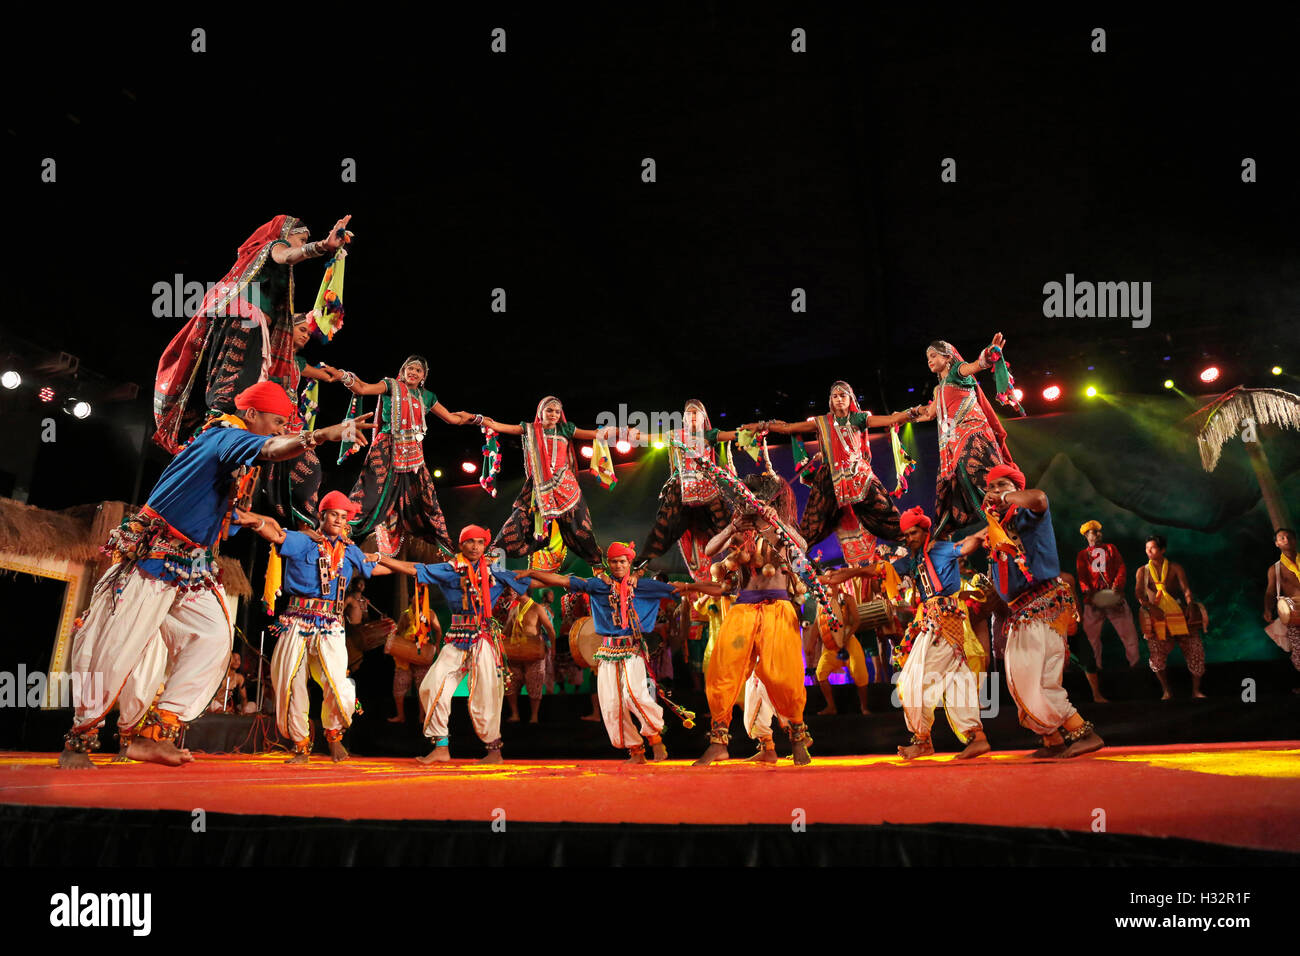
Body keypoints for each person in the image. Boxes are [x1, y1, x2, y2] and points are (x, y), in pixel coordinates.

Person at [58, 383, 374, 768]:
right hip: (153, 562)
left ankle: (156, 733)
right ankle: (78, 742)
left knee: (213, 637)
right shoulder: (225, 437)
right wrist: (324, 433)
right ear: (252, 414)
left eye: (285, 424)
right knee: (116, 647)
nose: (280, 429)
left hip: (191, 567)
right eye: (277, 421)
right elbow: (273, 450)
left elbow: (225, 513)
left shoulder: (228, 457)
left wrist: (243, 516)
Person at [154, 214, 352, 454]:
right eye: (300, 239)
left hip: (250, 325)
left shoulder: (273, 269)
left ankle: (219, 433)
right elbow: (286, 254)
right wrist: (323, 246)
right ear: (284, 234)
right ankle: (216, 433)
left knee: (243, 390)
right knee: (237, 390)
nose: (300, 245)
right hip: (245, 321)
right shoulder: (274, 247)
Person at [680, 474, 815, 766]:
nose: (750, 506)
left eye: (756, 500)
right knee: (723, 670)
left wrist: (772, 524)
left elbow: (801, 547)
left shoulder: (779, 528)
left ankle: (796, 738)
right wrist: (732, 527)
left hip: (777, 607)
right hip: (743, 607)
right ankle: (718, 742)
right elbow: (709, 550)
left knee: (783, 675)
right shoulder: (739, 530)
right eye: (746, 500)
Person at [249, 491, 389, 763]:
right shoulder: (305, 541)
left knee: (335, 682)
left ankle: (334, 736)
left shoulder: (350, 550)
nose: (338, 520)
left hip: (331, 625)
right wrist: (251, 521)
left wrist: (413, 569)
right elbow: (277, 536)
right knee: (291, 681)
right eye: (334, 514)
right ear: (322, 516)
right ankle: (300, 745)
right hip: (297, 620)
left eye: (343, 516)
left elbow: (375, 567)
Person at [520, 543, 691, 762]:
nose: (618, 565)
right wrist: (532, 572)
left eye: (623, 561)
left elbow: (679, 588)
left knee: (634, 694)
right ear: (608, 564)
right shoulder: (597, 585)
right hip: (607, 651)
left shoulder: (641, 586)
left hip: (632, 649)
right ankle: (636, 751)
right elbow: (562, 580)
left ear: (629, 563)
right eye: (614, 561)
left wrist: (716, 588)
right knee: (611, 703)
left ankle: (656, 739)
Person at [981, 463, 1103, 757]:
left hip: (1041, 603)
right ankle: (1052, 740)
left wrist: (1008, 498)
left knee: (1030, 676)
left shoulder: (1027, 511)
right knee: (1023, 677)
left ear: (1016, 488)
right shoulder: (998, 527)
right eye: (991, 487)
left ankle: (1082, 732)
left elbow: (1040, 498)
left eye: (1002, 485)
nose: (995, 492)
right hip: (1023, 610)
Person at [379, 526, 530, 763]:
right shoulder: (450, 570)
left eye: (480, 542)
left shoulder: (495, 572)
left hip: (484, 639)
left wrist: (570, 583)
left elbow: (529, 581)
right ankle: (441, 747)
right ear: (461, 545)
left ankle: (494, 751)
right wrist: (381, 559)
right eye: (470, 542)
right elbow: (415, 569)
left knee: (487, 694)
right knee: (432, 685)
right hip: (458, 637)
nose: (475, 547)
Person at [339, 356, 479, 555]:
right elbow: (362, 389)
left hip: (414, 454)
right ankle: (341, 529)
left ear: (423, 376)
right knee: (369, 492)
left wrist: (477, 419)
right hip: (387, 446)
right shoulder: (390, 385)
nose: (413, 372)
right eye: (410, 368)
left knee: (426, 498)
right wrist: (343, 376)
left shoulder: (428, 396)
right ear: (403, 371)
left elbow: (451, 418)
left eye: (418, 370)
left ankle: (443, 548)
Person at [748, 381, 903, 561]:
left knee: (887, 512)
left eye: (843, 396)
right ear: (830, 400)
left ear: (850, 398)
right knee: (811, 528)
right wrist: (762, 426)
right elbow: (788, 428)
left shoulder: (859, 418)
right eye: (835, 396)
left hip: (859, 476)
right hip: (829, 479)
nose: (839, 400)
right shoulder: (822, 422)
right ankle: (793, 561)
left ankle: (914, 541)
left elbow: (890, 420)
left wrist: (913, 414)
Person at [894, 334, 1021, 538]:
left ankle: (1012, 515)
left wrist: (988, 356)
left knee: (979, 475)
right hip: (953, 445)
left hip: (972, 434)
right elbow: (929, 413)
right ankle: (948, 537)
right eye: (928, 358)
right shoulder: (939, 388)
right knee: (949, 489)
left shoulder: (957, 371)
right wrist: (900, 417)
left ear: (948, 357)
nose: (930, 361)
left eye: (934, 355)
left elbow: (974, 366)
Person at [483, 397, 611, 565]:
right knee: (519, 519)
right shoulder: (528, 429)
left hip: (565, 486)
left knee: (579, 528)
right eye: (549, 410)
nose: (553, 414)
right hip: (538, 485)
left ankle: (597, 565)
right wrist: (481, 420)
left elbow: (595, 434)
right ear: (540, 412)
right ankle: (493, 556)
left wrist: (622, 432)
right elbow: (501, 427)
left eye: (557, 411)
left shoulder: (565, 429)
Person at [631, 400, 738, 576]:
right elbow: (650, 438)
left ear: (704, 418)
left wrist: (752, 431)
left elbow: (733, 435)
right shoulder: (676, 435)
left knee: (724, 522)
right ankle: (643, 561)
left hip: (706, 485)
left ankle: (740, 551)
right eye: (689, 413)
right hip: (682, 488)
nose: (693, 416)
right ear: (684, 419)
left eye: (696, 413)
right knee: (666, 524)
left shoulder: (709, 435)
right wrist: (633, 435)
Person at [1135, 535, 1207, 700]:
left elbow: (1186, 589)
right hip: (1157, 616)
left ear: (1163, 550)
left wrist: (1190, 604)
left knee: (1195, 651)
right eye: (1147, 548)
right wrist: (1150, 607)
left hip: (1178, 613)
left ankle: (1196, 691)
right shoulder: (1143, 571)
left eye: (1152, 548)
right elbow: (1138, 592)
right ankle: (1166, 690)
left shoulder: (1175, 568)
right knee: (1156, 656)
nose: (1149, 551)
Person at [1075, 520, 1141, 668]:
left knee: (1129, 634)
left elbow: (1121, 568)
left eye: (1099, 531)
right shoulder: (1082, 555)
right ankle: (1094, 669)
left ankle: (1135, 665)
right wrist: (1089, 594)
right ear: (1086, 535)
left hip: (1114, 597)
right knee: (1091, 639)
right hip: (1093, 601)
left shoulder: (1111, 548)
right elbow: (1082, 577)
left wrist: (1117, 588)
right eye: (1094, 531)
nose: (1099, 534)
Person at [811, 582, 871, 716]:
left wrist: (845, 637)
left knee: (860, 673)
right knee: (820, 672)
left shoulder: (847, 598)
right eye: (826, 583)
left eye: (832, 582)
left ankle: (864, 707)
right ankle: (831, 707)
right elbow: (817, 623)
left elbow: (856, 621)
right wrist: (811, 643)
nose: (829, 585)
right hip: (831, 645)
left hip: (848, 641)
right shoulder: (822, 601)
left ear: (838, 584)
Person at [505, 590, 558, 724]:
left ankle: (534, 716)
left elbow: (550, 629)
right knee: (511, 684)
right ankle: (515, 714)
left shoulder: (537, 608)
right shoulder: (513, 610)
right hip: (515, 653)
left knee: (535, 683)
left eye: (515, 589)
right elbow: (506, 631)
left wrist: (553, 648)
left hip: (534, 651)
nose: (512, 592)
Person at [1263, 528, 1300, 688]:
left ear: (1295, 540)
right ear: (1277, 544)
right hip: (1294, 614)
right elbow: (1270, 592)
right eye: (1281, 538)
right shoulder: (1275, 569)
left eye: (1289, 537)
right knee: (1299, 651)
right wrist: (1267, 609)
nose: (1286, 539)